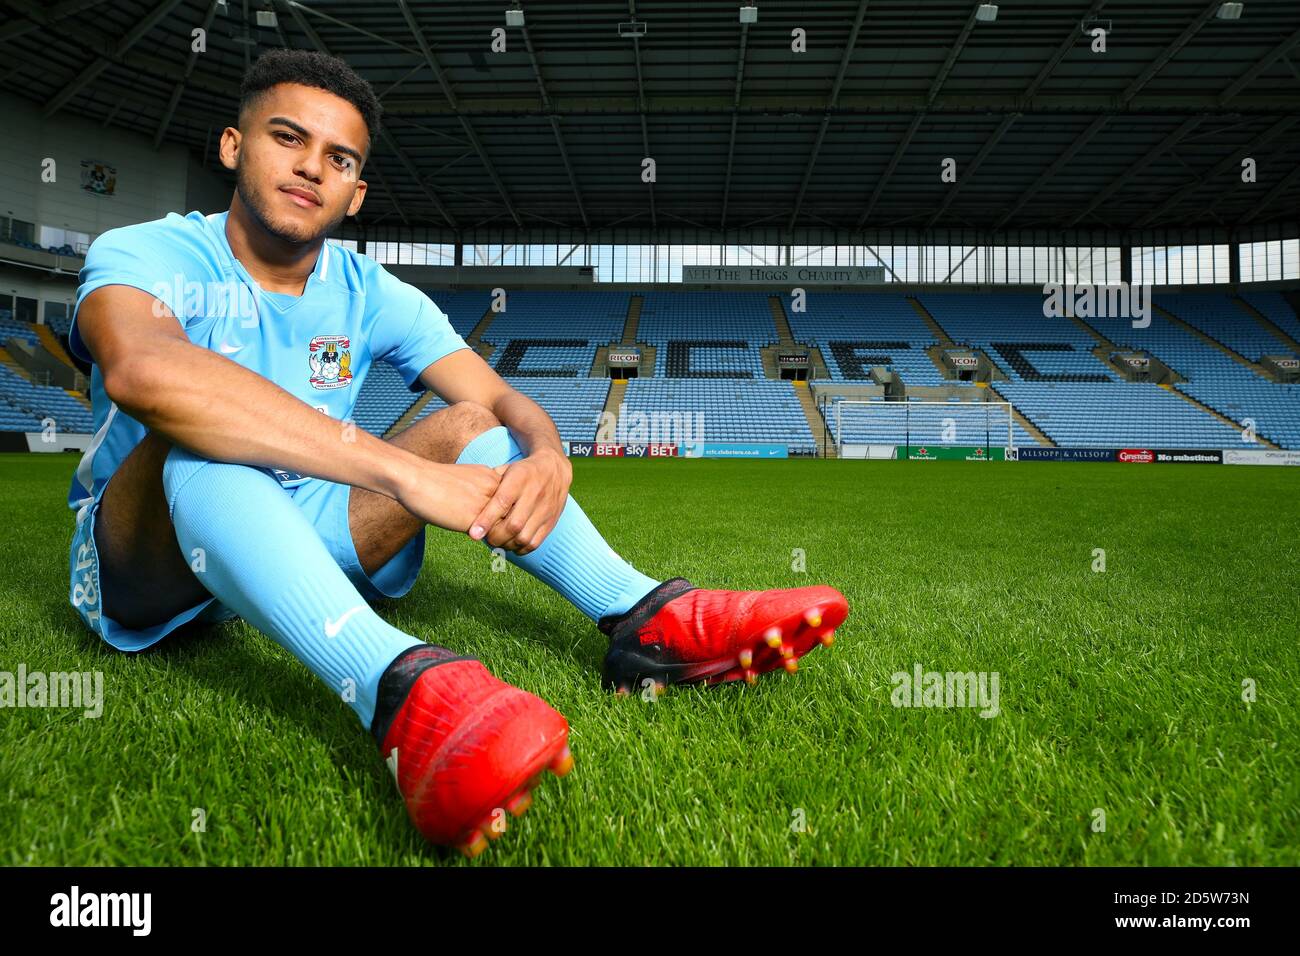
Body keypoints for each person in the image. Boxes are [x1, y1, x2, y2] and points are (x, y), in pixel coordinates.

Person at [66, 49, 849, 857]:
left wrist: (549, 455)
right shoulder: (153, 251)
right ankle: (405, 692)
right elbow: (143, 370)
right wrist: (401, 472)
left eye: (339, 159)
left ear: (357, 192)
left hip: (298, 533)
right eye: (287, 138)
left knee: (468, 418)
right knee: (201, 438)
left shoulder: (369, 290)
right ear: (233, 147)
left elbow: (503, 400)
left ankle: (644, 618)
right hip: (145, 555)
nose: (310, 168)